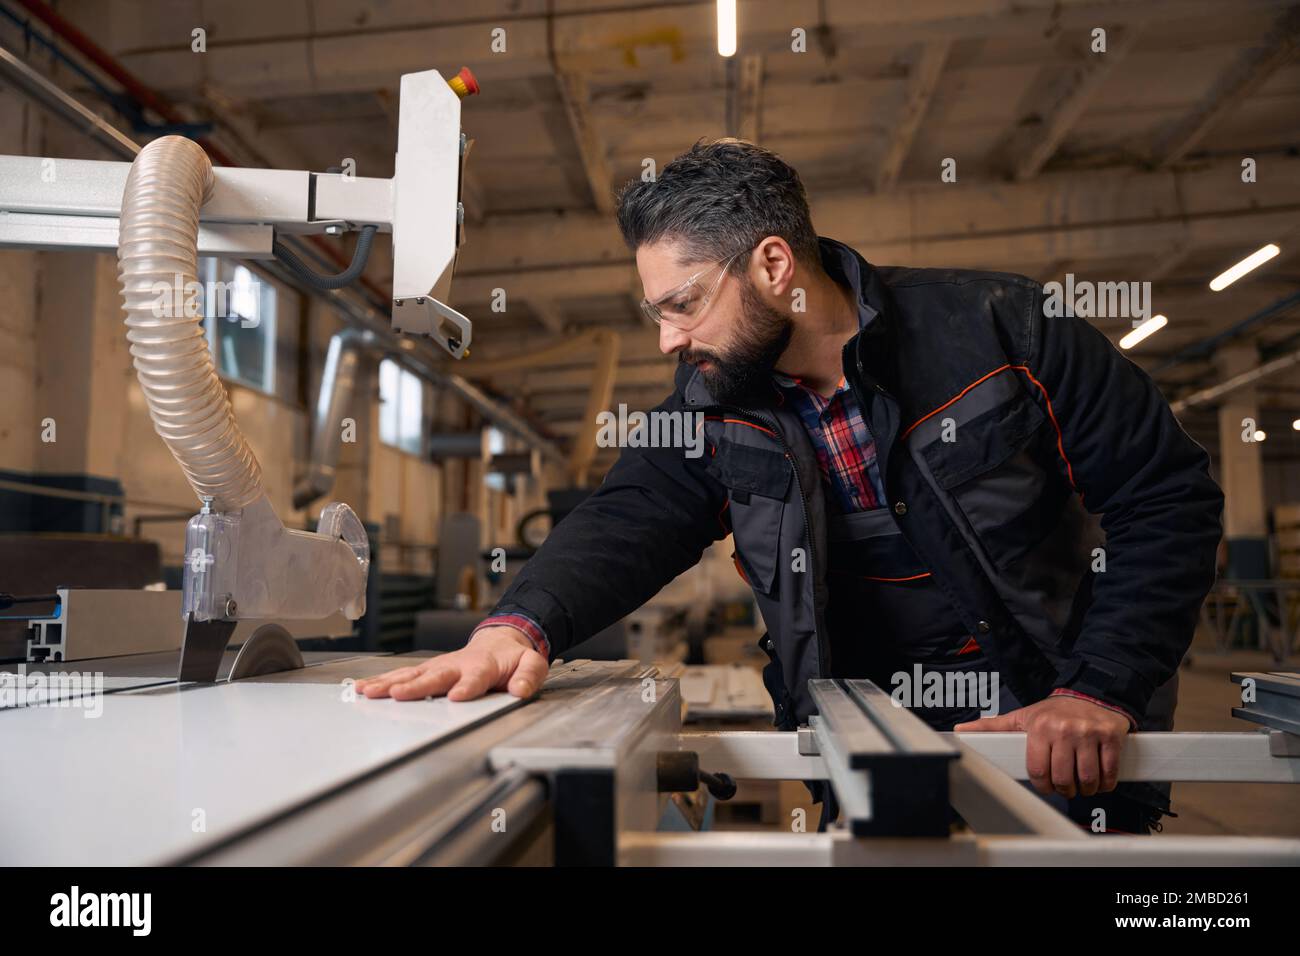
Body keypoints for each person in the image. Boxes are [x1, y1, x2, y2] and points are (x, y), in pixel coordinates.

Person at [356, 140, 1223, 833]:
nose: (667, 341)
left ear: (774, 266)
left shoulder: (1006, 329)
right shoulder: (713, 403)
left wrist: (1099, 689)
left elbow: (1166, 499)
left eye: (682, 304)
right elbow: (633, 514)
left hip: (1051, 718)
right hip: (866, 734)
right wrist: (520, 624)